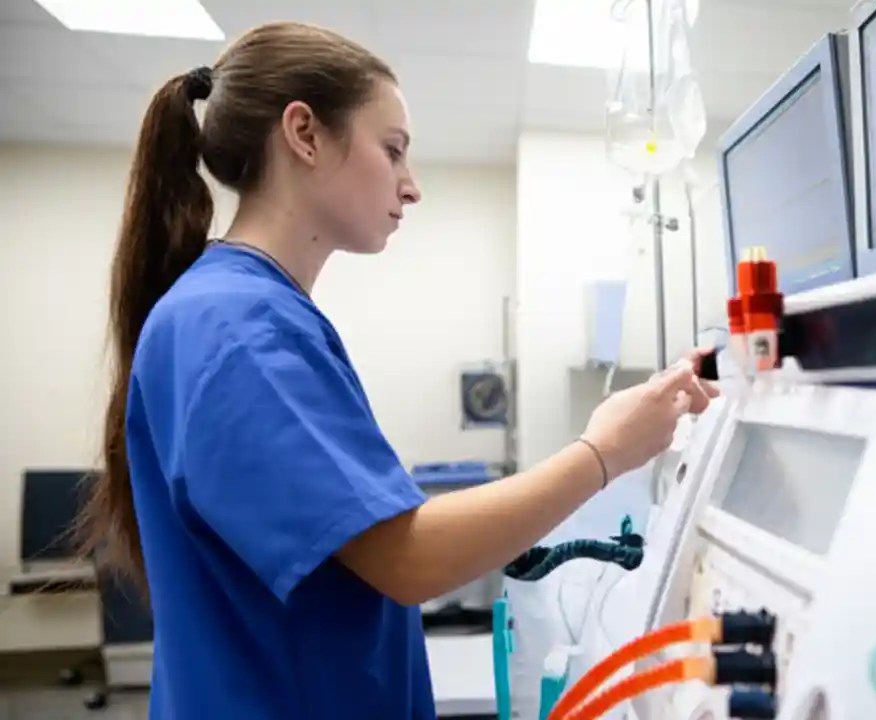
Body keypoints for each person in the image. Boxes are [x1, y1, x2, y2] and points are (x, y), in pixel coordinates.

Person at [80, 21, 717, 720]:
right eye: (393, 151)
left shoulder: (243, 312)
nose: (410, 188)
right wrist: (605, 451)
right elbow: (411, 560)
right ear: (305, 134)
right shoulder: (235, 329)